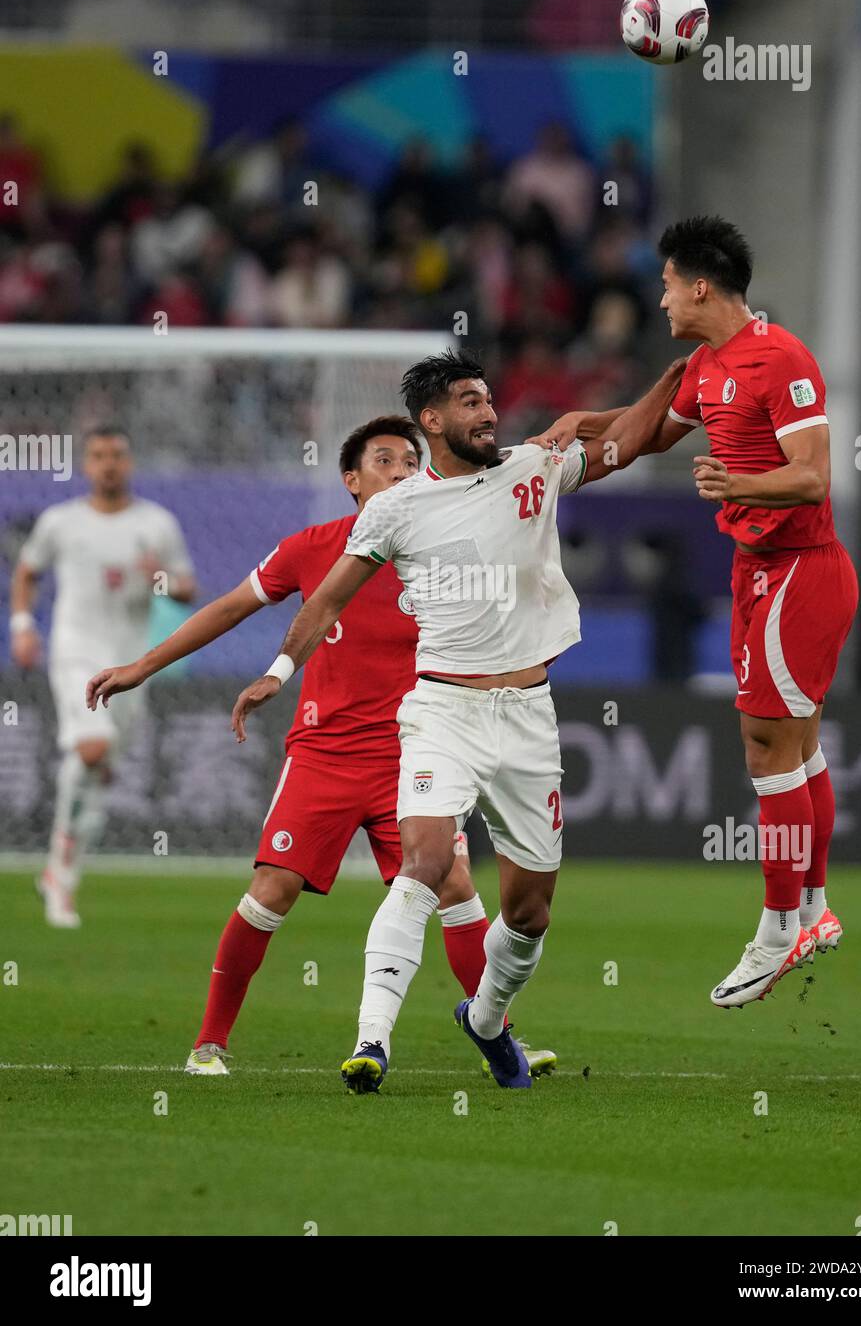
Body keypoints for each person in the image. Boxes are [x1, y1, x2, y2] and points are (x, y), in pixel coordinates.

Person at [228, 349, 685, 1092]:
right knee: (425, 862)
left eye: (488, 400)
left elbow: (640, 439)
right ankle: (371, 1038)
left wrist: (668, 379)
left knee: (529, 914)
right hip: (443, 708)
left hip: (528, 716)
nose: (489, 413)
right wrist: (276, 673)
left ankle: (486, 1019)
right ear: (433, 420)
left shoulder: (531, 469)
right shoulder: (396, 508)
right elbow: (326, 601)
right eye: (471, 403)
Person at [86, 417, 555, 1078]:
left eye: (408, 462)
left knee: (452, 885)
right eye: (383, 460)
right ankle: (209, 1042)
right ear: (350, 479)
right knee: (272, 888)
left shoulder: (446, 547)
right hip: (324, 758)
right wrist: (141, 666)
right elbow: (226, 608)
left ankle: (499, 1034)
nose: (398, 471)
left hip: (413, 757)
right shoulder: (312, 549)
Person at [531, 216, 858, 1009]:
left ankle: (778, 927)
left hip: (801, 571)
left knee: (765, 750)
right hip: (759, 572)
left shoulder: (780, 359)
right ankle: (811, 910)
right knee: (797, 747)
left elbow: (813, 477)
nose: (660, 298)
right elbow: (646, 438)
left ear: (700, 284)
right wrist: (588, 425)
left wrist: (740, 485)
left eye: (668, 283)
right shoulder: (709, 368)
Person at [10, 427, 197, 927]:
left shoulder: (156, 523)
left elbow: (185, 589)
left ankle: (60, 875)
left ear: (129, 461)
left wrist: (158, 575)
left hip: (132, 664)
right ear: (85, 464)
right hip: (75, 650)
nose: (108, 464)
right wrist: (24, 625)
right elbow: (27, 571)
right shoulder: (61, 522)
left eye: (117, 454)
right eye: (98, 456)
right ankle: (59, 876)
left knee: (98, 773)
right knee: (92, 750)